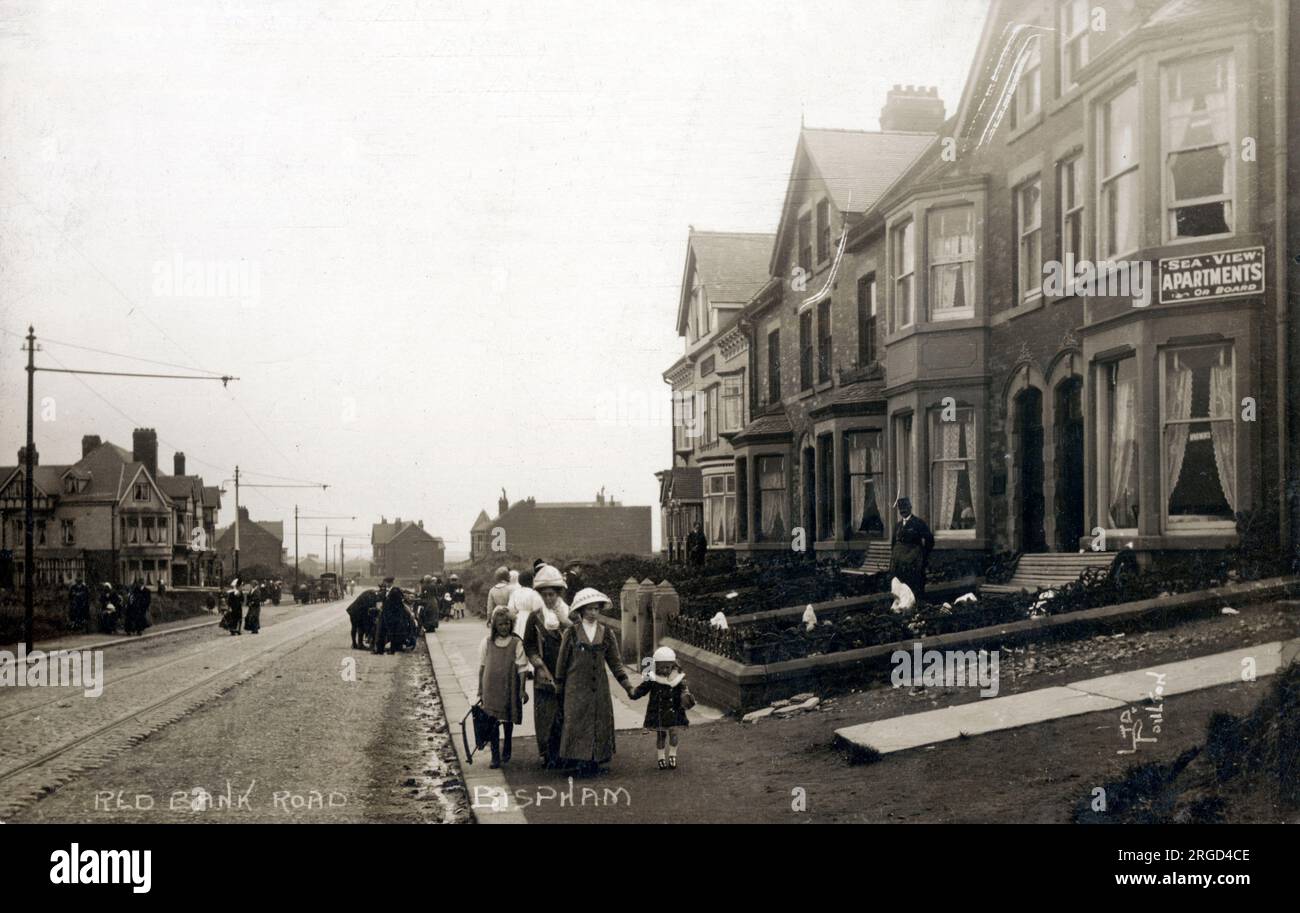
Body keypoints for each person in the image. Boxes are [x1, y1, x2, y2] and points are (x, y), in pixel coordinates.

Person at [555, 588, 633, 775]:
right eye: (589, 609)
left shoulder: (606, 633)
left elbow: (615, 662)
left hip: (599, 687)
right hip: (575, 686)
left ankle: (596, 760)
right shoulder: (571, 633)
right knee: (576, 721)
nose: (593, 613)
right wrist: (559, 686)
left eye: (596, 609)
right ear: (581, 611)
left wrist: (627, 686)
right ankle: (579, 760)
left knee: (599, 720)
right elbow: (561, 662)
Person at [522, 566, 571, 767]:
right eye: (545, 595)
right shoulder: (535, 617)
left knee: (566, 713)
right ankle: (548, 754)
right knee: (546, 715)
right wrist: (538, 664)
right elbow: (529, 644)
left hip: (567, 672)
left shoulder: (570, 615)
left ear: (558, 594)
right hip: (545, 671)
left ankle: (566, 753)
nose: (549, 599)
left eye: (552, 594)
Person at [477, 606, 529, 769]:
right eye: (500, 624)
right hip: (490, 686)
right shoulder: (486, 642)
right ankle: (495, 756)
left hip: (509, 685)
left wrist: (522, 689)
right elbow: (482, 666)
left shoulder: (517, 642)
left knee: (507, 718)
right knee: (491, 720)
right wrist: (480, 689)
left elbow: (522, 668)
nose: (504, 627)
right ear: (494, 626)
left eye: (507, 624)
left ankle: (507, 743)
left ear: (511, 624)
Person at [629, 645, 695, 770]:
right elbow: (643, 688)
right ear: (655, 666)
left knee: (674, 732)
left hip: (674, 710)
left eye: (667, 667)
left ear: (673, 665)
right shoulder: (653, 678)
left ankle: (672, 755)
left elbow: (685, 692)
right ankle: (660, 757)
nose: (664, 670)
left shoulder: (678, 679)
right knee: (661, 735)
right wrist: (633, 693)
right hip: (659, 712)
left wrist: (686, 694)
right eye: (661, 667)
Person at [890, 497, 934, 602]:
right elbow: (893, 544)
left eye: (905, 507)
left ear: (910, 507)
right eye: (900, 508)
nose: (903, 510)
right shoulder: (898, 526)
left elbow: (930, 541)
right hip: (900, 564)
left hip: (914, 564)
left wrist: (922, 556)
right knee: (902, 589)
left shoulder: (918, 523)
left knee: (915, 590)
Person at [376, 578, 407, 654]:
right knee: (382, 632)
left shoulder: (395, 591)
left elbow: (398, 604)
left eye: (388, 583)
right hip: (385, 615)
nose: (387, 584)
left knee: (392, 633)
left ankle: (392, 650)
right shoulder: (387, 591)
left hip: (392, 616)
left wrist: (393, 614)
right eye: (386, 583)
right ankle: (380, 650)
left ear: (391, 583)